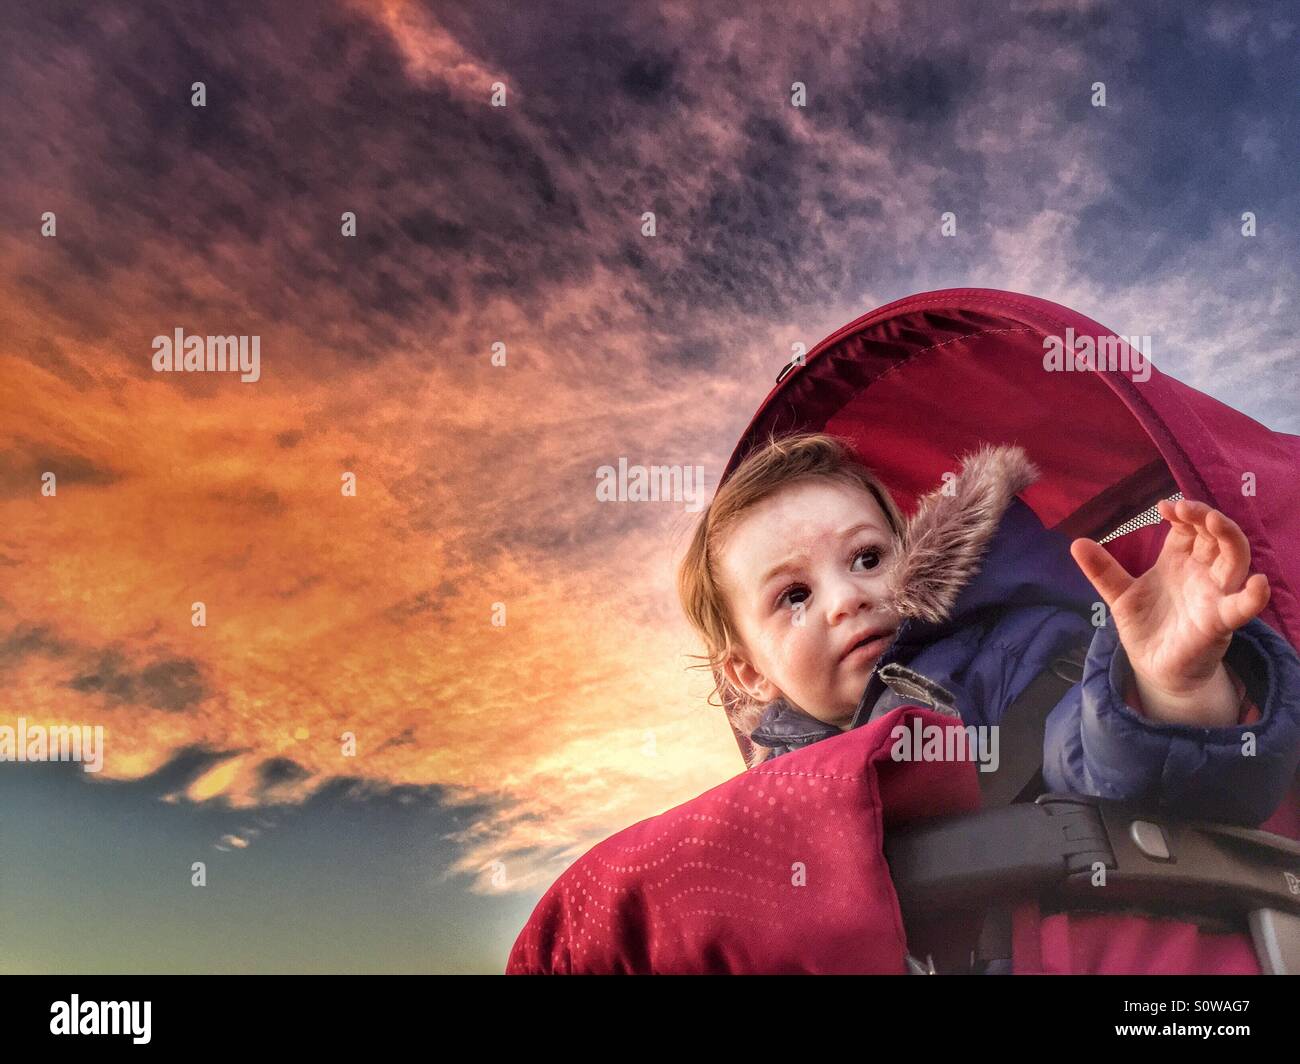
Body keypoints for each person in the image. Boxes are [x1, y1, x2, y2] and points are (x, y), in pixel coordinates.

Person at [677, 432, 1300, 826]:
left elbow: (1090, 753)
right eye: (794, 595)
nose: (846, 599)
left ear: (913, 554)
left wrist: (1171, 686)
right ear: (749, 672)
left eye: (868, 558)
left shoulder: (1010, 652)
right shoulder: (771, 805)